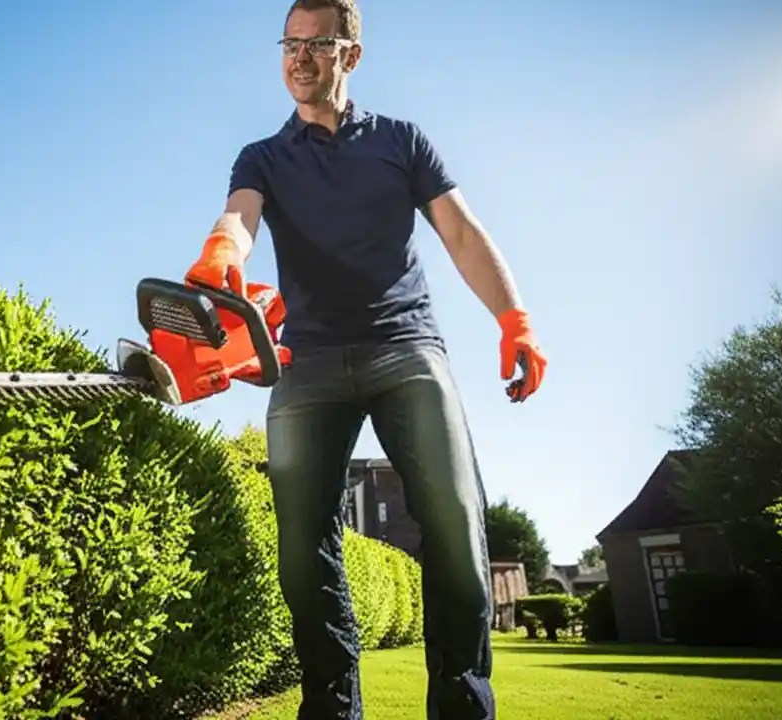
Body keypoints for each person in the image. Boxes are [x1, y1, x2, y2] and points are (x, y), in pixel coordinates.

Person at [183, 1, 548, 718]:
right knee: (300, 551)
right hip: (308, 364)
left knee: (454, 520)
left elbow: (464, 236)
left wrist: (516, 321)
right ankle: (330, 708)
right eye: (290, 43)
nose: (299, 57)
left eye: (318, 44)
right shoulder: (262, 156)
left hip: (406, 349)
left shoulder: (403, 142)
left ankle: (461, 705)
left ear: (351, 55)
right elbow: (240, 215)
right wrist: (224, 247)